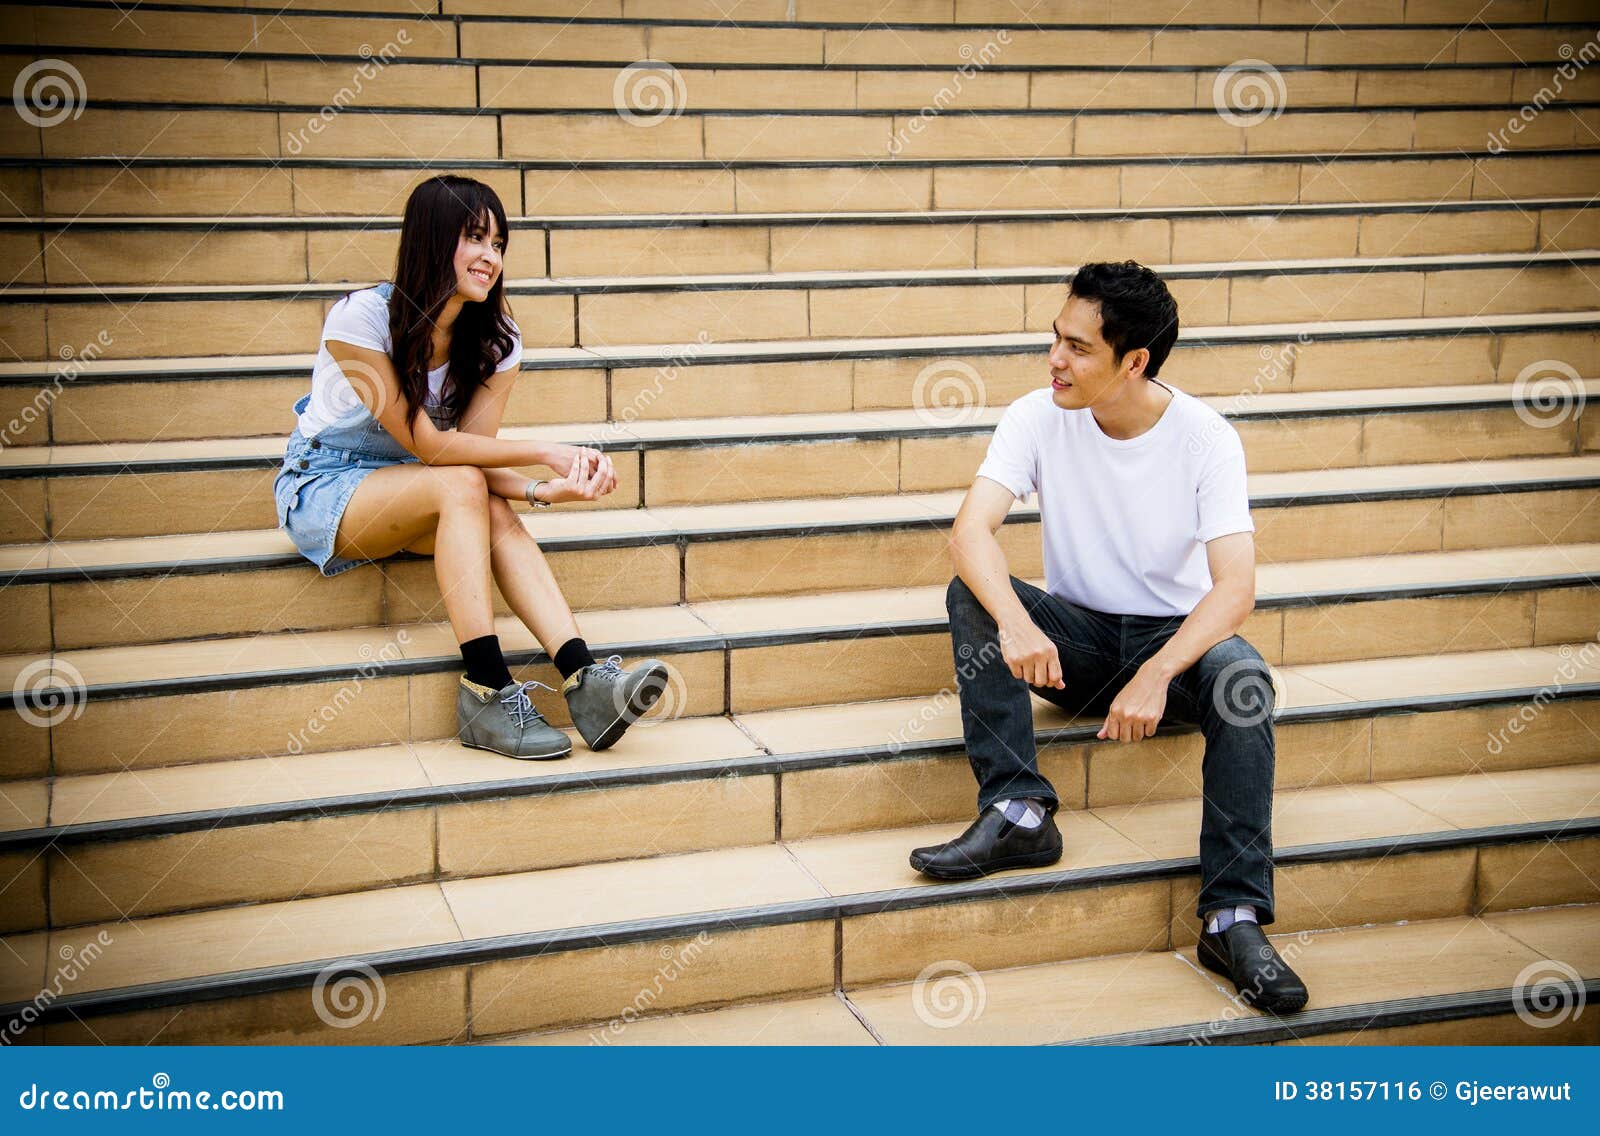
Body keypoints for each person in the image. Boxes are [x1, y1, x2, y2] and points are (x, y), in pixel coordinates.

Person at [912, 260, 1308, 1014]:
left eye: (1079, 347)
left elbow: (1235, 589)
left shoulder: (1206, 438)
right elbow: (969, 534)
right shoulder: (1037, 416)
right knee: (974, 594)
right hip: (1079, 648)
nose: (1055, 359)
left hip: (1174, 653)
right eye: (1055, 338)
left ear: (1134, 362)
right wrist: (1018, 622)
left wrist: (1158, 673)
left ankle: (1232, 919)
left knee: (1242, 677)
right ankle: (1020, 813)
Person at [273, 174, 666, 761]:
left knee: (487, 500)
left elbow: (470, 463)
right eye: (476, 238)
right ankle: (485, 689)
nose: (491, 258)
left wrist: (544, 490)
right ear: (432, 239)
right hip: (325, 486)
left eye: (499, 244)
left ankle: (586, 682)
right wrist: (547, 450)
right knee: (460, 484)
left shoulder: (496, 340)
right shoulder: (361, 319)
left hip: (421, 489)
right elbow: (433, 448)